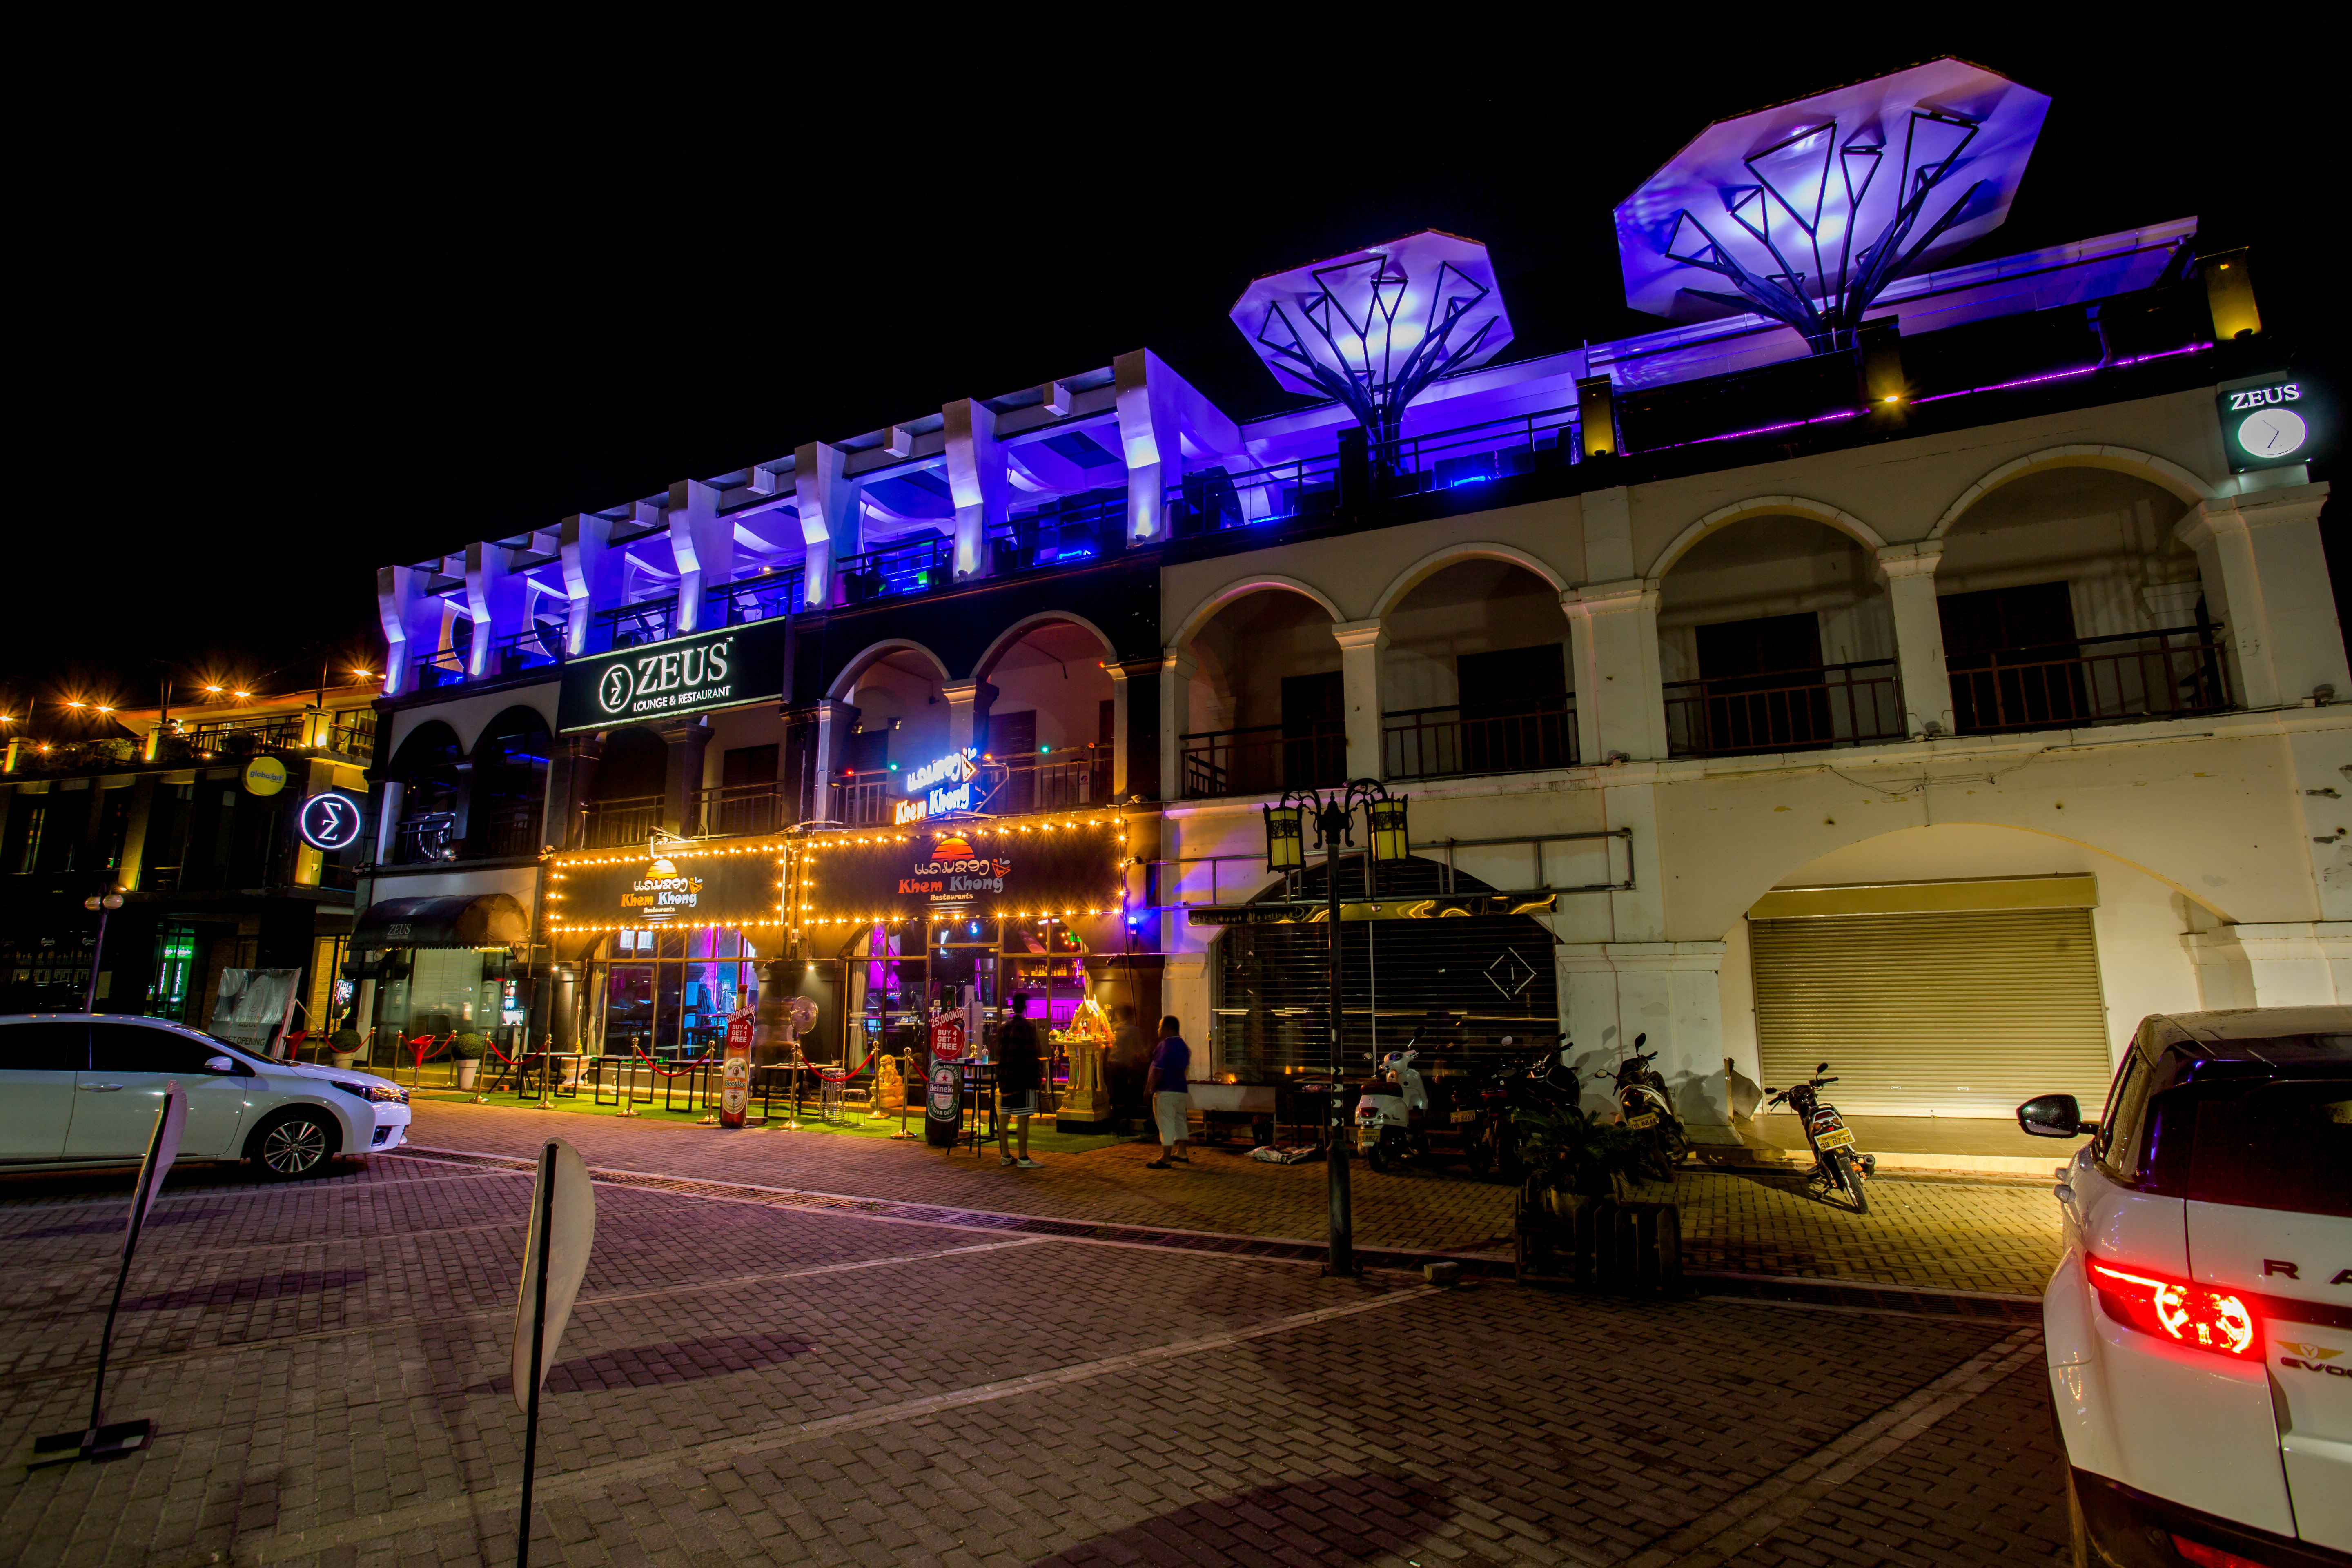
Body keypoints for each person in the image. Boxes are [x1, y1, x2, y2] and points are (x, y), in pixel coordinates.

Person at [995, 993, 1043, 1169]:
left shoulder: (1004, 1027)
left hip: (1006, 1078)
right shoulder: (1028, 1027)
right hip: (1024, 1078)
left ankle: (1005, 1155)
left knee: (1004, 1116)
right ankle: (1023, 1158)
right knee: (1023, 1117)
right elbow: (1034, 1053)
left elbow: (998, 1052)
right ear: (1025, 1008)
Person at [1144, 1014, 1192, 1170]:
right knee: (1180, 1121)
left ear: (1168, 1028)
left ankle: (1165, 1158)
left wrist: (1149, 1089)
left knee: (1166, 1123)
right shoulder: (1184, 1047)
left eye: (1160, 1027)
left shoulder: (1165, 1046)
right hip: (1181, 1091)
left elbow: (1157, 1070)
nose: (1158, 1030)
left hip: (1166, 1091)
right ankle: (1182, 1152)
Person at [1109, 1004, 1152, 1131]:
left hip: (1112, 1065)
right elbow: (1141, 1051)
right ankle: (1126, 1127)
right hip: (1124, 1066)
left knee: (1114, 1095)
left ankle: (1115, 1125)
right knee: (1126, 1096)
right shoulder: (1134, 1030)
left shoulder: (1114, 1027)